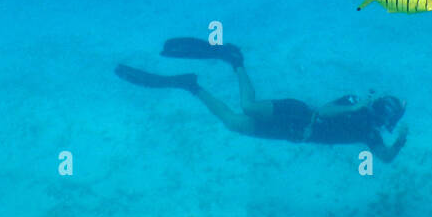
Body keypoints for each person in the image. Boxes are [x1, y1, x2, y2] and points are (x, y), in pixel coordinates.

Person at [115, 37, 408, 162]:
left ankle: (189, 85)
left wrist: (400, 143)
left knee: (232, 123)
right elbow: (325, 110)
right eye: (381, 111)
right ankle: (235, 60)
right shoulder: (356, 101)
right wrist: (356, 106)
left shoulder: (371, 134)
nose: (380, 118)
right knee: (247, 106)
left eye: (385, 118)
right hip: (299, 113)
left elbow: (384, 158)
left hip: (291, 134)